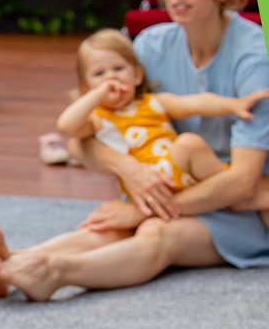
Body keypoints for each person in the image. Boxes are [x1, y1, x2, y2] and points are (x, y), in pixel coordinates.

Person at [0, 0, 269, 301]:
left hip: (246, 209)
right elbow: (80, 144)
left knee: (155, 232)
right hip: (172, 186)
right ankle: (16, 261)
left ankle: (53, 272)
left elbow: (243, 183)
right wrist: (129, 171)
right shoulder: (150, 46)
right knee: (109, 227)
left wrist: (144, 210)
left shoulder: (254, 56)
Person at [57, 28, 269, 224]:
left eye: (118, 68)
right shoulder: (98, 119)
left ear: (137, 75)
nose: (111, 77)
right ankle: (237, 197)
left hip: (179, 171)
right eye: (99, 74)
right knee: (188, 144)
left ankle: (232, 193)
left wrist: (234, 105)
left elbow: (196, 103)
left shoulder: (153, 102)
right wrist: (98, 95)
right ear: (86, 86)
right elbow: (66, 126)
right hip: (148, 184)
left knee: (189, 143)